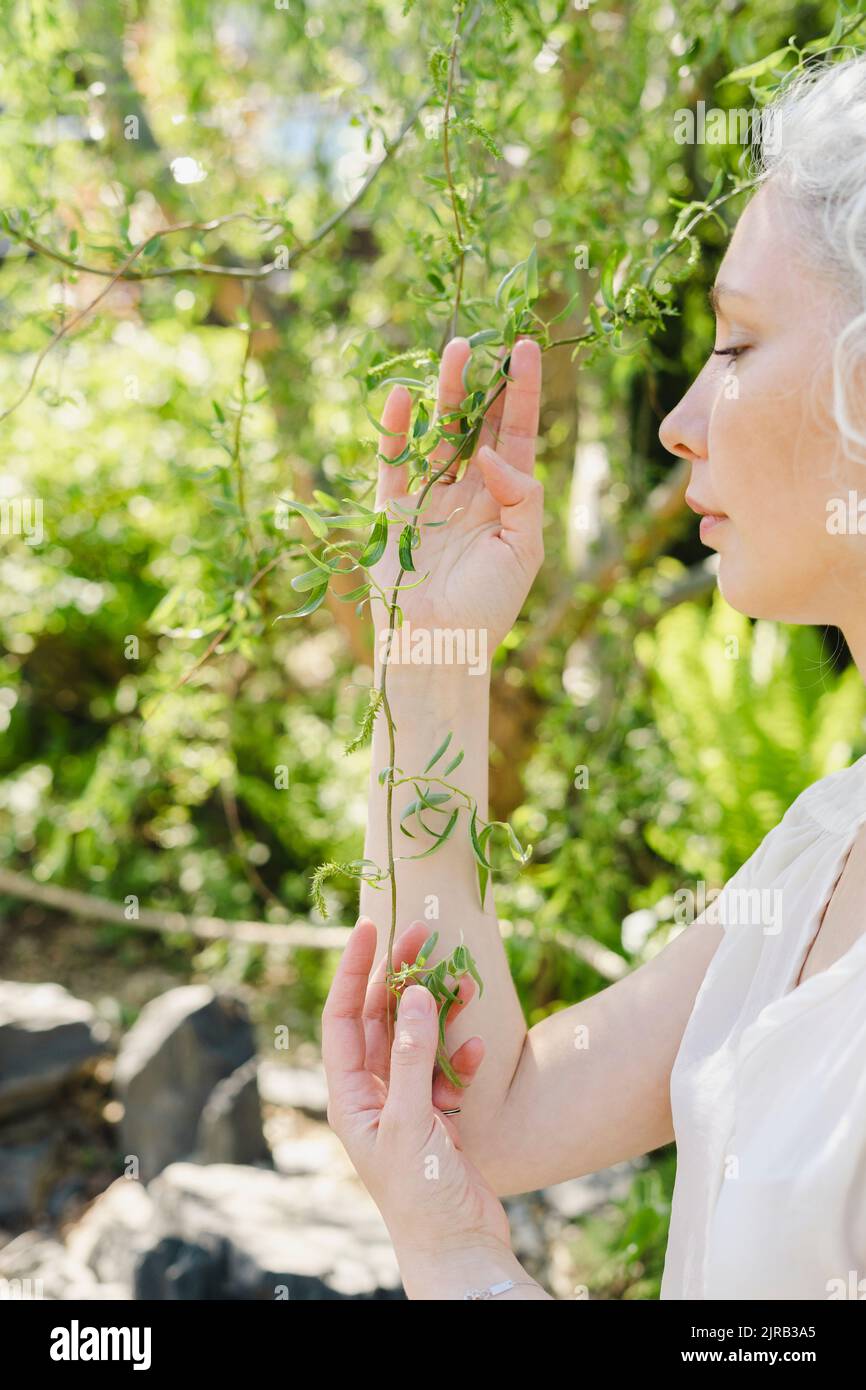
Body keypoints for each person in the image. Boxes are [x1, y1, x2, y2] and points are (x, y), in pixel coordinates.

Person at [322, 53, 866, 1300]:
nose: (679, 418)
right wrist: (433, 656)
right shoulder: (821, 846)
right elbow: (496, 1104)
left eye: (734, 343)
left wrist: (459, 1265)